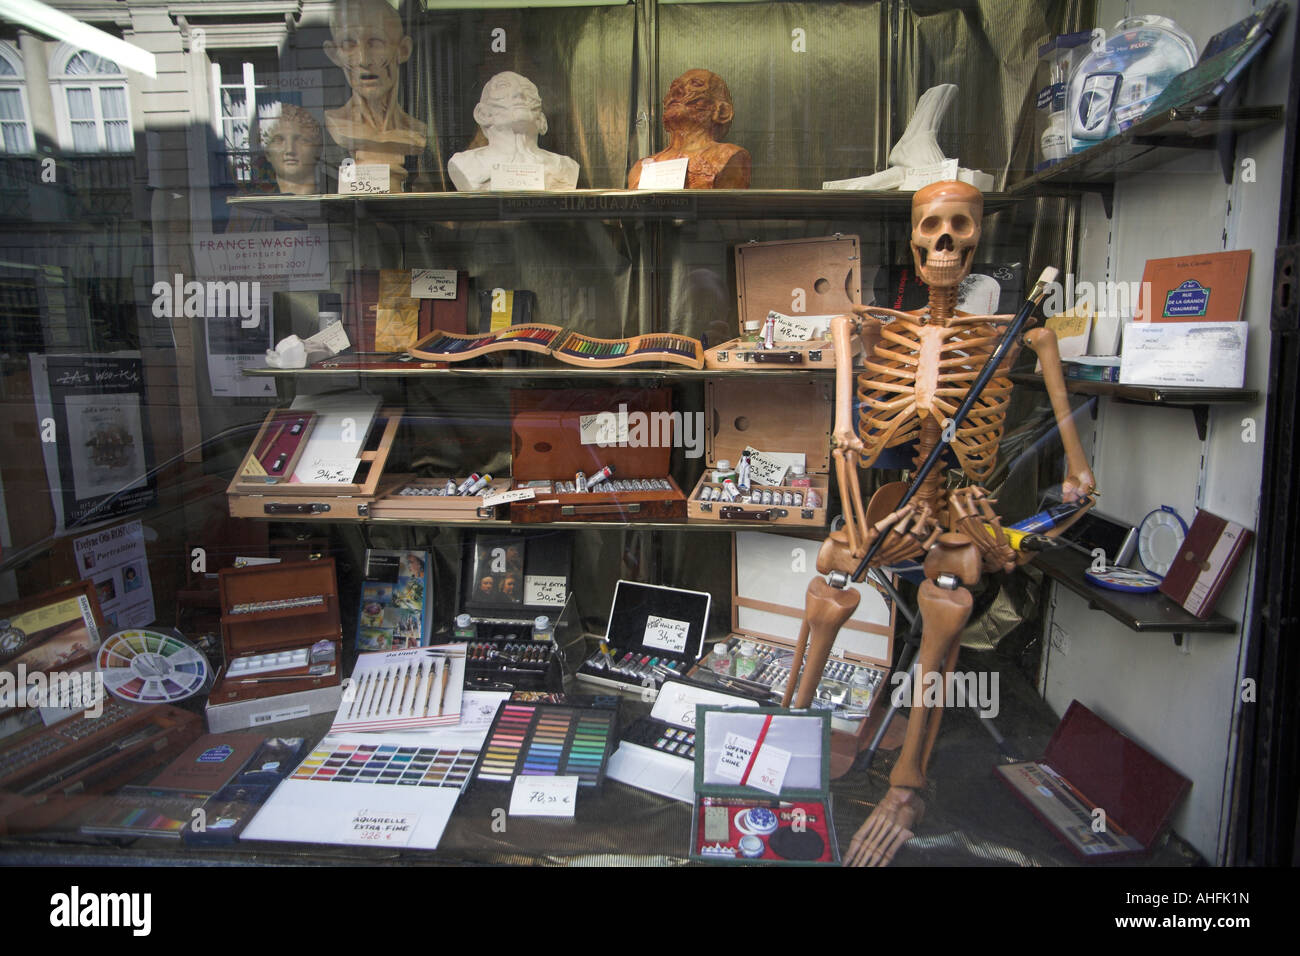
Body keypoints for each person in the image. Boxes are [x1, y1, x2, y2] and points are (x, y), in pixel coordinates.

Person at [323, 0, 427, 192]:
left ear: (403, 50)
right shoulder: (336, 123)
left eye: (376, 43)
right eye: (349, 44)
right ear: (334, 54)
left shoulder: (416, 129)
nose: (363, 60)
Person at [448, 72, 579, 191]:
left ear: (541, 120)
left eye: (528, 90)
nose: (519, 94)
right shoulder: (466, 165)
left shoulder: (565, 167)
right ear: (482, 114)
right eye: (503, 86)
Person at [627, 69, 750, 190]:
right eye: (673, 87)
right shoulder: (641, 167)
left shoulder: (728, 156)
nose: (676, 92)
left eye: (696, 84)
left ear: (722, 111)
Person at [262, 104, 323, 195]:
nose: (290, 150)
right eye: (278, 140)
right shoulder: (253, 203)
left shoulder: (337, 193)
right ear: (267, 153)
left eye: (302, 140)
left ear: (318, 150)